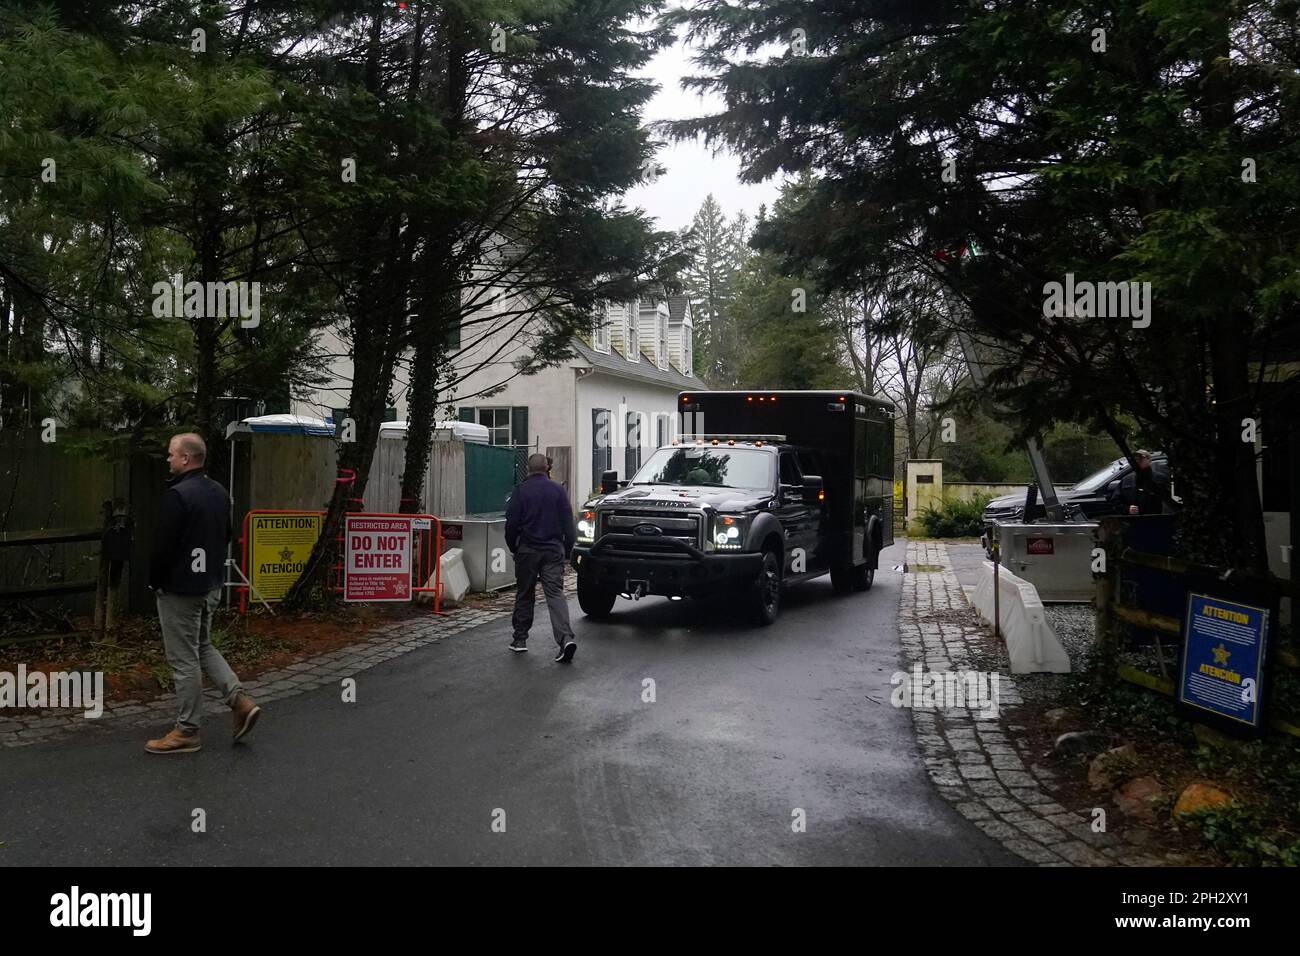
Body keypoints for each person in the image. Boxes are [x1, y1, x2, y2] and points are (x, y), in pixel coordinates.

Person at [145, 433, 260, 754]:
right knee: (203, 645)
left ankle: (187, 730)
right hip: (211, 584)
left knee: (184, 659)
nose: (168, 458)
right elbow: (226, 535)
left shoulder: (178, 495)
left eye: (171, 454)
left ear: (186, 458)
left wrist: (155, 581)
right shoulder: (219, 492)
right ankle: (240, 701)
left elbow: (163, 547)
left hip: (180, 590)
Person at [505, 453, 578, 662]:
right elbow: (568, 524)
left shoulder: (520, 491)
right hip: (553, 550)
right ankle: (565, 639)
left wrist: (514, 547)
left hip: (527, 550)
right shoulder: (558, 490)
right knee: (555, 594)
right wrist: (567, 550)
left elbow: (511, 524)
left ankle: (520, 640)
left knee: (525, 593)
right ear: (547, 468)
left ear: (528, 469)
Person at [1120, 450, 1170, 516]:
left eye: (1141, 458)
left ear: (1149, 460)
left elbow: (1169, 504)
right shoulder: (1126, 480)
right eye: (1135, 459)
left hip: (1156, 519)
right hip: (1133, 520)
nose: (1138, 461)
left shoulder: (1161, 478)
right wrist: (1127, 509)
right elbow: (1115, 502)